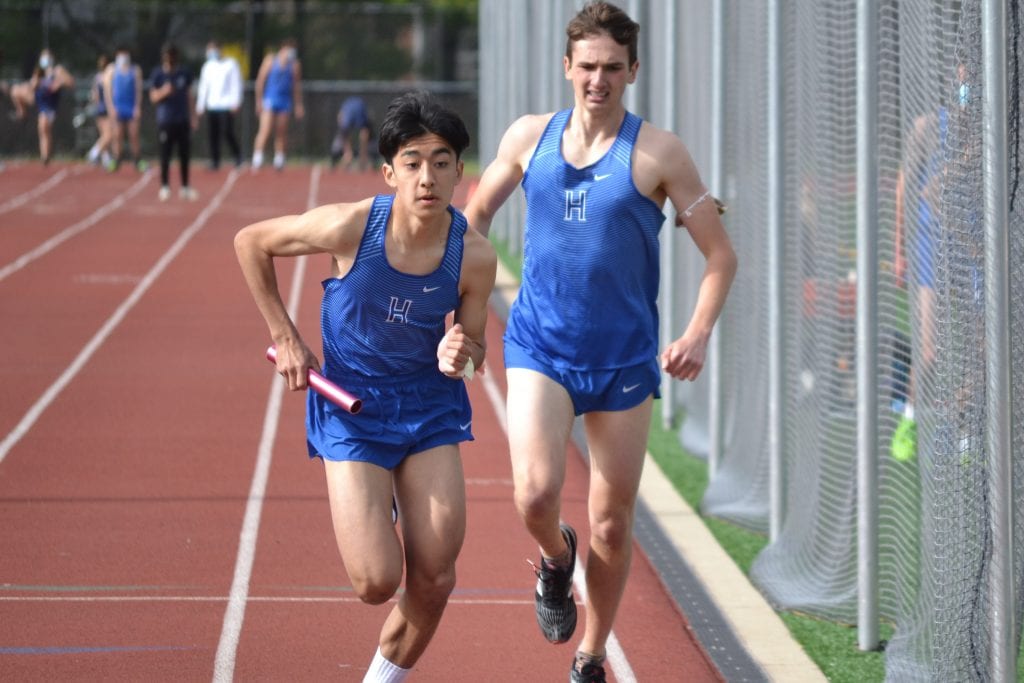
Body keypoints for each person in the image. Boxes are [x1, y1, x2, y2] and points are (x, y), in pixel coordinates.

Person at [463, 3, 737, 681]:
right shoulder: (529, 137)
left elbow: (720, 255)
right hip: (541, 346)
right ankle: (557, 558)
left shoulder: (659, 153)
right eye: (587, 66)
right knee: (535, 494)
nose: (599, 79)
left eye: (613, 67)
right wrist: (463, 313)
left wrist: (697, 334)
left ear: (633, 71)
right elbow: (474, 217)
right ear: (567, 67)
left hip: (622, 362)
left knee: (612, 524)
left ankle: (590, 655)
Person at [234, 91, 496, 682]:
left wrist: (462, 353)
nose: (427, 177)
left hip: (428, 409)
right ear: (389, 172)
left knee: (436, 576)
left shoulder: (474, 257)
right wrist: (286, 336)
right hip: (352, 409)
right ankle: (382, 492)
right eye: (412, 162)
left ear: (459, 171)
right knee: (376, 581)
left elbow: (475, 348)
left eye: (441, 162)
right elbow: (250, 241)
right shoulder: (351, 226)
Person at [149, 43, 198, 201]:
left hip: (182, 119)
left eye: (172, 56)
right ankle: (165, 186)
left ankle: (185, 187)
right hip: (166, 120)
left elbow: (189, 96)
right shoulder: (158, 74)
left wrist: (193, 116)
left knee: (184, 155)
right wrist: (164, 91)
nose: (170, 59)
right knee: (165, 155)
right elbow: (153, 97)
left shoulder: (184, 73)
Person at [251, 38, 304, 171]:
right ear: (283, 48)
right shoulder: (270, 60)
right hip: (270, 99)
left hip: (285, 101)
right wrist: (258, 101)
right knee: (265, 129)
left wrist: (298, 105)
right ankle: (257, 157)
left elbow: (296, 86)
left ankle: (279, 159)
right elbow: (260, 81)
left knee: (281, 131)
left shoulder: (294, 65)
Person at [196, 40, 243, 170]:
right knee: (213, 135)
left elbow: (235, 84)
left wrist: (236, 102)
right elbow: (203, 87)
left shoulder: (231, 64)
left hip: (226, 105)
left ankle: (238, 156)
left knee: (227, 132)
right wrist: (200, 105)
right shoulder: (207, 67)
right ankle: (214, 161)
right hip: (212, 105)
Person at [26, 49, 74, 164]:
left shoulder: (57, 70)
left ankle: (46, 155)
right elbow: (32, 87)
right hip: (41, 104)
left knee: (45, 127)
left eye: (47, 56)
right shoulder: (39, 72)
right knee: (43, 128)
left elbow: (71, 82)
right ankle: (45, 156)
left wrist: (59, 83)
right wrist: (35, 81)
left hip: (52, 105)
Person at [104, 45, 146, 171]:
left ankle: (137, 159)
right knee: (117, 135)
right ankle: (117, 159)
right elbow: (107, 90)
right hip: (118, 107)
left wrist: (137, 107)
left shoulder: (135, 70)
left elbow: (138, 90)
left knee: (134, 134)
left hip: (131, 107)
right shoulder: (111, 69)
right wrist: (111, 107)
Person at [331, 95, 372, 171]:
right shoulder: (347, 107)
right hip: (359, 106)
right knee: (363, 132)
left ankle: (360, 158)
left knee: (350, 134)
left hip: (357, 108)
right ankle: (362, 158)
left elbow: (345, 132)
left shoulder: (345, 115)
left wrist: (348, 153)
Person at [86, 54, 113, 167]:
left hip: (100, 108)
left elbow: (94, 95)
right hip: (106, 108)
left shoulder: (97, 77)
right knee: (109, 135)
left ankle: (106, 158)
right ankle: (93, 153)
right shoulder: (108, 76)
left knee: (104, 135)